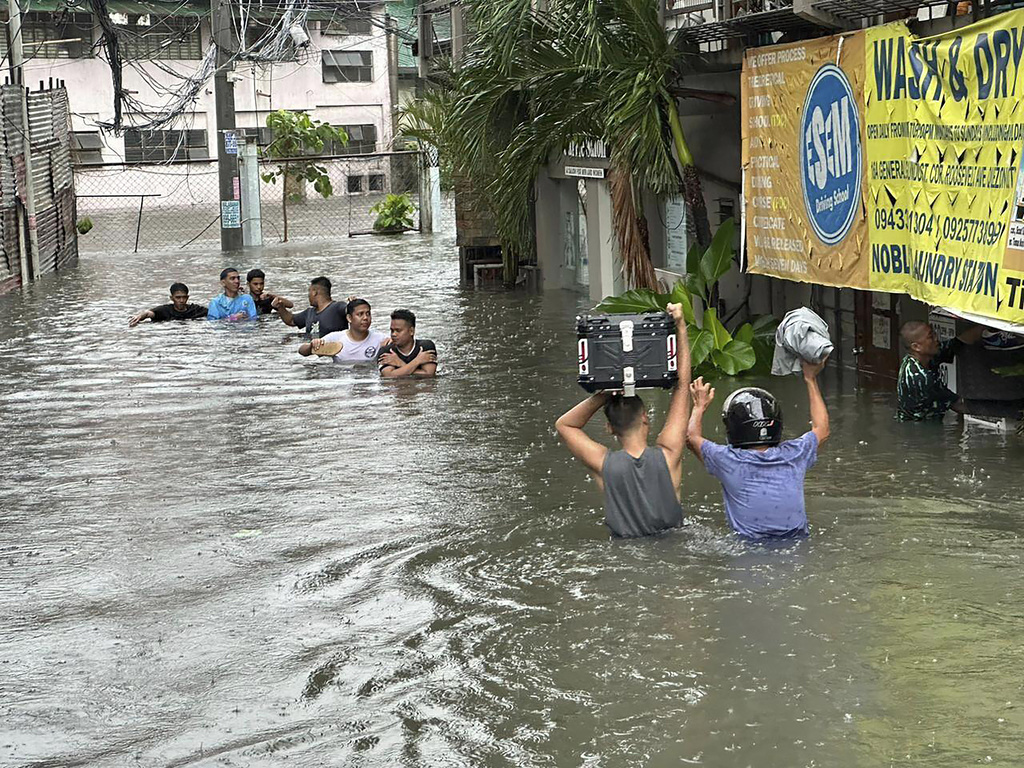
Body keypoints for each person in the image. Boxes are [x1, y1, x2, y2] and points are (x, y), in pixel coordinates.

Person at [554, 303, 691, 539]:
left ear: (609, 428)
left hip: (624, 552)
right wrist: (680, 325)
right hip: (673, 550)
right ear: (645, 417)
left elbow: (565, 425)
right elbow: (682, 386)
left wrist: (604, 393)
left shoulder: (603, 465)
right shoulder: (669, 454)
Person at [686, 359, 829, 540]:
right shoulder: (795, 454)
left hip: (749, 550)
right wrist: (810, 379)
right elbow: (822, 429)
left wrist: (699, 406)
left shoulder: (728, 461)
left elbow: (691, 438)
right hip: (797, 546)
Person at [896, 321, 982, 421]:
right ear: (916, 347)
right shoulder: (923, 378)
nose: (936, 339)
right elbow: (960, 405)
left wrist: (983, 327)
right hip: (919, 430)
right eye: (930, 337)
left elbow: (957, 343)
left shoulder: (914, 359)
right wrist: (1000, 410)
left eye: (934, 334)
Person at [307, 299, 389, 363]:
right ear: (349, 318)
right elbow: (302, 351)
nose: (365, 318)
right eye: (360, 314)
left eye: (368, 314)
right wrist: (313, 345)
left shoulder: (380, 339)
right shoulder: (336, 338)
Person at [274, 276, 348, 345]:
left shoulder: (337, 307)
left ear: (314, 292)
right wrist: (280, 307)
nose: (308, 295)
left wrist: (353, 304)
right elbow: (290, 320)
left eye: (309, 292)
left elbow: (352, 311)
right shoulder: (309, 312)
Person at [378, 309, 437, 378]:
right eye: (392, 330)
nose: (393, 334)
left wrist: (400, 363)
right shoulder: (386, 351)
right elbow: (389, 376)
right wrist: (418, 361)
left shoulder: (425, 346)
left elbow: (429, 374)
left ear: (411, 331)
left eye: (398, 330)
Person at [128, 282, 207, 326]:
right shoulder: (165, 310)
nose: (182, 300)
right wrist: (138, 317)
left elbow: (213, 313)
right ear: (172, 298)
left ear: (188, 297)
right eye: (178, 298)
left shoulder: (195, 310)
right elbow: (148, 313)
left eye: (184, 297)